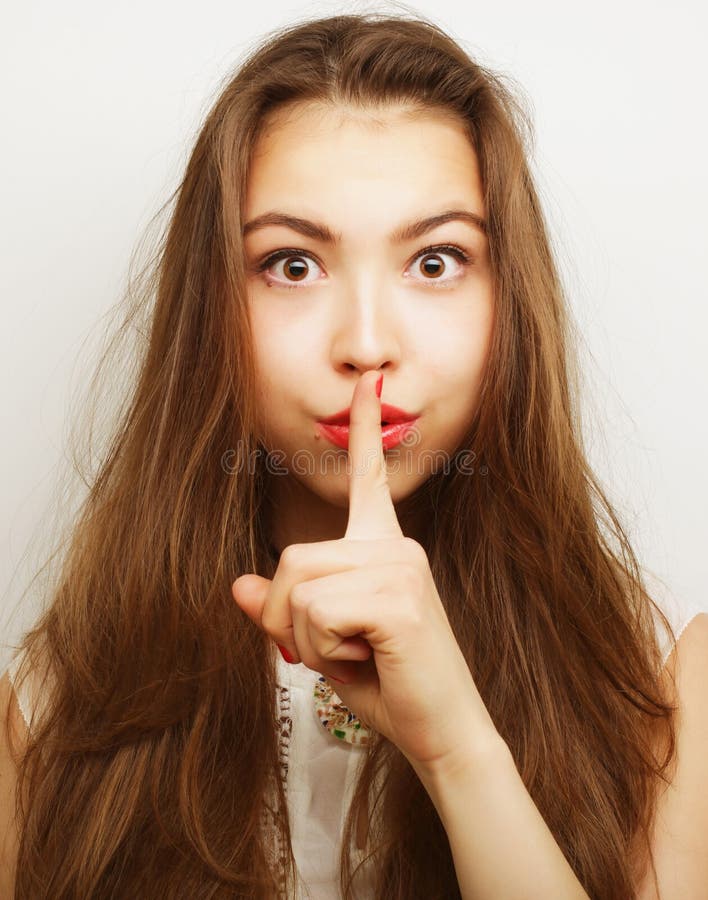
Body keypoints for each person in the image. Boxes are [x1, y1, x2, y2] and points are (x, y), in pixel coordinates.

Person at [1, 9, 706, 899]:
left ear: (511, 300)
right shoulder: (50, 708)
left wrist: (458, 751)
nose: (367, 344)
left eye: (436, 261)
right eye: (293, 265)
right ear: (210, 309)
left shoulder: (658, 676)